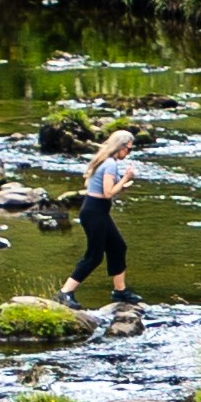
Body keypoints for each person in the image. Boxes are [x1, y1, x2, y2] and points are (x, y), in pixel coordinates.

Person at [67, 125, 137, 309]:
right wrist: (125, 178)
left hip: (96, 211)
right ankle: (65, 292)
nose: (128, 153)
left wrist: (122, 184)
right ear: (120, 146)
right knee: (94, 256)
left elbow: (101, 188)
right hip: (95, 212)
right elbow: (108, 193)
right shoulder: (110, 164)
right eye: (128, 149)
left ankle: (120, 291)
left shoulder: (103, 160)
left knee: (118, 247)